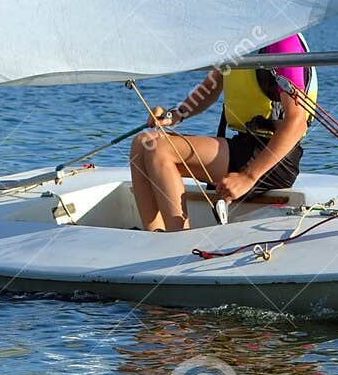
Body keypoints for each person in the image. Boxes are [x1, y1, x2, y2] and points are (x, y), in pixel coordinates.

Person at [128, 34, 314, 232]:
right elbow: (209, 89)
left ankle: (179, 238)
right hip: (244, 146)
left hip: (276, 159)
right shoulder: (239, 39)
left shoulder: (282, 43)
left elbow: (297, 123)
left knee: (159, 148)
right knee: (142, 144)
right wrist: (175, 114)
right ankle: (154, 236)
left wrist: (248, 177)